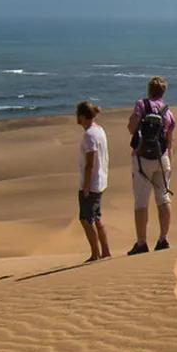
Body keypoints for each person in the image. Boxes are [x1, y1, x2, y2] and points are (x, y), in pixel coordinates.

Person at [126, 76, 176, 254]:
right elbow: (170, 141)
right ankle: (163, 238)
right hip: (162, 159)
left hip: (142, 159)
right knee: (163, 199)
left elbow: (131, 128)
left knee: (141, 201)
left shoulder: (141, 105)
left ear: (149, 89)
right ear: (163, 92)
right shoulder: (168, 112)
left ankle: (141, 242)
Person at [75, 100, 110, 262]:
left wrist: (86, 186)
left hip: (92, 183)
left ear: (82, 116)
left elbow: (90, 163)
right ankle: (105, 251)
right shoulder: (99, 130)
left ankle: (96, 253)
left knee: (86, 219)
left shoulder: (89, 135)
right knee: (96, 217)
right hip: (100, 180)